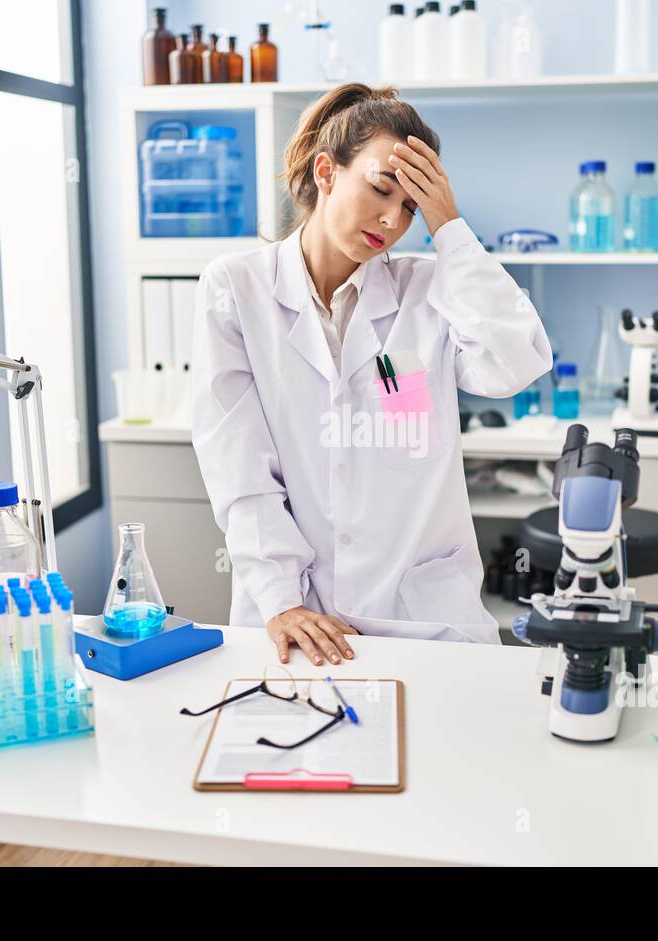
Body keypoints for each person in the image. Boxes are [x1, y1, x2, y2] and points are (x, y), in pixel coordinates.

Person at [191, 83, 552, 666]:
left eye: (412, 206)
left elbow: (513, 363)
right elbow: (238, 464)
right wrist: (282, 599)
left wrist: (449, 226)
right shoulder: (236, 288)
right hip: (300, 621)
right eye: (382, 189)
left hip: (422, 619)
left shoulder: (429, 289)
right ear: (326, 171)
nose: (392, 218)